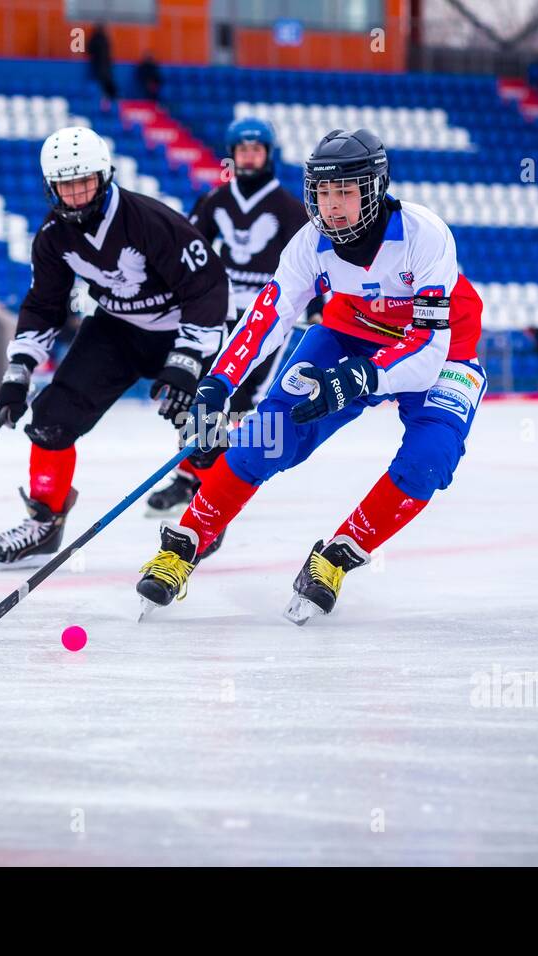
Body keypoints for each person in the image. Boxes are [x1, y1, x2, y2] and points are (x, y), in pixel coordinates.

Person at [133, 128, 486, 625]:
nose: (333, 206)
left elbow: (428, 349)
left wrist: (362, 378)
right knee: (267, 436)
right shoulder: (308, 245)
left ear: (375, 188)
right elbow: (269, 315)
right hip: (351, 331)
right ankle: (185, 544)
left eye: (346, 191)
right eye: (323, 192)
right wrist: (218, 383)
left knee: (432, 458)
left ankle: (338, 556)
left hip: (445, 346)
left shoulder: (425, 235)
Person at [0, 125, 229, 571]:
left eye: (84, 182)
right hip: (116, 329)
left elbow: (207, 286)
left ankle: (207, 519)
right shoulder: (54, 236)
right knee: (52, 419)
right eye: (65, 185)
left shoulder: (149, 220)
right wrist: (18, 372)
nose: (75, 195)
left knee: (203, 429)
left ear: (104, 176)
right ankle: (44, 522)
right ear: (49, 186)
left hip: (181, 330)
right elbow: (44, 304)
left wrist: (187, 359)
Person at [146, 116, 317, 515]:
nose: (250, 157)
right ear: (233, 154)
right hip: (219, 310)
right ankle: (188, 474)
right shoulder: (215, 200)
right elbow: (191, 247)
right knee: (207, 392)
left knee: (242, 399)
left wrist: (317, 306)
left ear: (268, 155)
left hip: (267, 316)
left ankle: (217, 484)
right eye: (243, 150)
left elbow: (311, 264)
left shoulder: (289, 209)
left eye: (257, 150)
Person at [86, 23, 117, 107]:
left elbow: (89, 50)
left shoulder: (96, 39)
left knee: (104, 83)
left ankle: (108, 99)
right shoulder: (104, 39)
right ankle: (107, 99)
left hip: (101, 66)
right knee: (105, 83)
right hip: (104, 66)